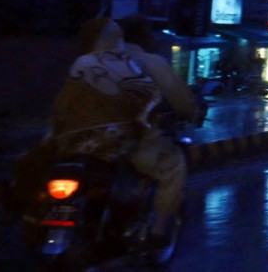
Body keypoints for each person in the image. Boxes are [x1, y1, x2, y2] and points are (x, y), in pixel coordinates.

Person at [46, 17, 187, 245]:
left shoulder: (85, 61)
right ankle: (158, 233)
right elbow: (179, 102)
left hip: (68, 143)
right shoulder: (147, 62)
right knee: (172, 164)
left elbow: (61, 106)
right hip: (117, 143)